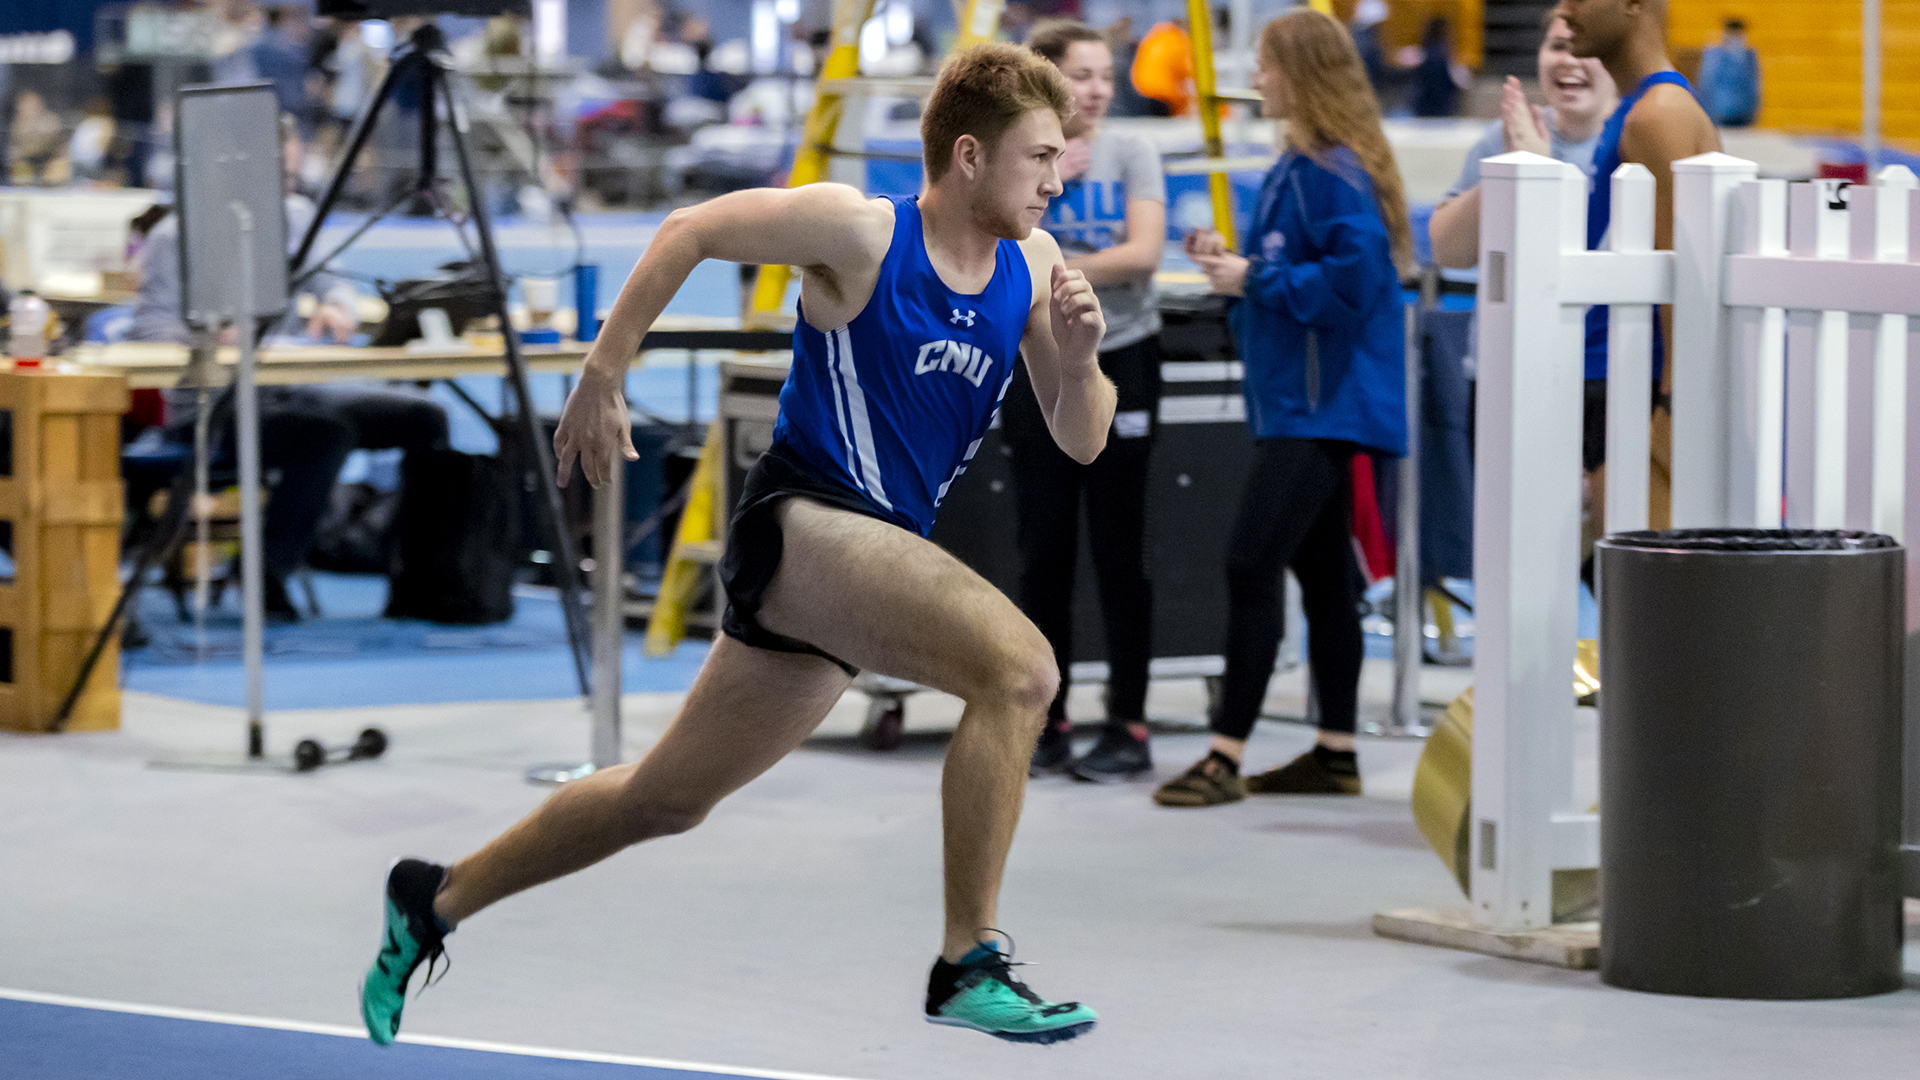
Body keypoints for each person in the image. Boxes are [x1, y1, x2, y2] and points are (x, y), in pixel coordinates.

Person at [359, 43, 1112, 1047]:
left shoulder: (1038, 265)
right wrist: (602, 371)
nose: (1056, 181)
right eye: (1040, 158)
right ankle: (966, 959)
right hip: (807, 522)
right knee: (1020, 672)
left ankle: (436, 898)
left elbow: (1081, 434)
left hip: (867, 568)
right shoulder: (860, 230)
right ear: (969, 156)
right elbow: (691, 230)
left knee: (664, 799)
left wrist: (1084, 360)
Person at [1155, 7, 1409, 807]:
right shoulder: (1303, 168)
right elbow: (1292, 271)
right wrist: (1234, 270)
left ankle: (1223, 754)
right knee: (1327, 579)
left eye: (1266, 64)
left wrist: (1250, 281)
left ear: (1298, 74)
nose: (1256, 78)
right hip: (1303, 404)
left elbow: (1354, 285)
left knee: (1250, 560)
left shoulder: (1332, 172)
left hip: (1321, 409)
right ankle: (1334, 752)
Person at [127, 120, 447, 621]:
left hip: (296, 386)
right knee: (321, 438)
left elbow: (332, 283)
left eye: (294, 178)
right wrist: (207, 340)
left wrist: (337, 306)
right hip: (213, 406)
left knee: (424, 419)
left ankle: (419, 571)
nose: (288, 189)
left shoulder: (296, 217)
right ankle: (263, 574)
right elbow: (148, 328)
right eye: (280, 178)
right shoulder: (176, 234)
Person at [1016, 19, 1166, 783]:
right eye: (1083, 74)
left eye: (1108, 74)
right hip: (1037, 365)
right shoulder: (1022, 157)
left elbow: (1144, 254)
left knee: (1119, 548)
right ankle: (1047, 719)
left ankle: (1129, 722)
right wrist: (1046, 176)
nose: (1100, 89)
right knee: (1044, 548)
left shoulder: (1132, 150)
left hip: (1126, 358)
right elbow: (995, 251)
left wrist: (1059, 266)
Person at [1557, 0, 1719, 539]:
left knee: (1644, 606)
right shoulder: (1638, 111)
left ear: (1633, 6)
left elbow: (1689, 278)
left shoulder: (1658, 116)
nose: (1564, 10)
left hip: (1638, 389)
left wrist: (1673, 407)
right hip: (1619, 381)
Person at [1428, 13, 1618, 272]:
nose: (1570, 60)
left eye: (1587, 49)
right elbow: (1448, 254)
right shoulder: (1507, 134)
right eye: (1558, 46)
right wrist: (1509, 173)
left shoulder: (1631, 142)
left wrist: (1539, 172)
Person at [1697, 17, 1759, 128]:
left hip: (1743, 115)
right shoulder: (1714, 55)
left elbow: (1754, 86)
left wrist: (1752, 112)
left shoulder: (1749, 56)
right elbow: (1706, 84)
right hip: (1719, 114)